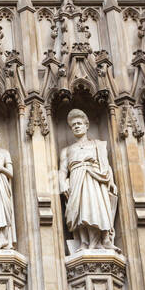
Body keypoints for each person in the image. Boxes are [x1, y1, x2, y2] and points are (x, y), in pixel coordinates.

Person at [58, 108, 118, 252]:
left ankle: (102, 241)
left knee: (95, 207)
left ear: (87, 125)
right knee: (80, 209)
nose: (76, 126)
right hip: (76, 179)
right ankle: (84, 242)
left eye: (79, 123)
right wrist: (62, 183)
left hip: (95, 179)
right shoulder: (67, 150)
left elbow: (106, 165)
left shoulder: (97, 144)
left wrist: (112, 182)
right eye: (73, 125)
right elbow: (62, 170)